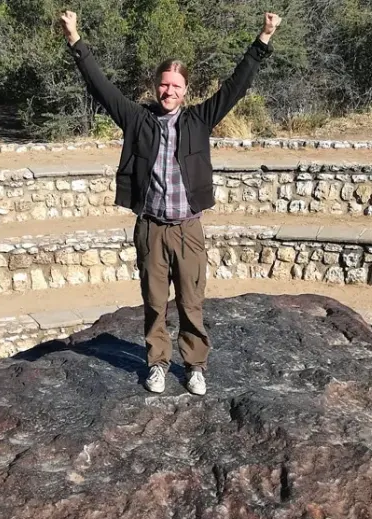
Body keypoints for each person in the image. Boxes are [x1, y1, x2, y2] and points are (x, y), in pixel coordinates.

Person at [59, 9, 281, 396]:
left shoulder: (198, 120)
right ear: (156, 87)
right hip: (151, 229)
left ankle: (194, 365)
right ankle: (157, 363)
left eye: (176, 86)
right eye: (164, 85)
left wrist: (263, 38)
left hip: (188, 229)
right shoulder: (137, 120)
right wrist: (75, 38)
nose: (169, 92)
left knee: (192, 303)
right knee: (155, 303)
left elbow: (236, 86)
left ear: (185, 91)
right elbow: (101, 86)